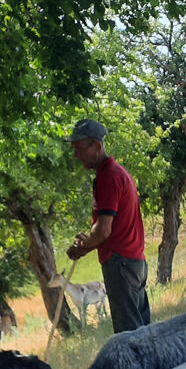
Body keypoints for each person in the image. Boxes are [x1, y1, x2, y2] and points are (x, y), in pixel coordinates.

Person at [66, 119, 151, 332]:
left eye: (79, 148)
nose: (76, 155)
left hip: (120, 263)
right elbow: (106, 230)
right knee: (143, 332)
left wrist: (82, 245)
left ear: (96, 145)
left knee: (129, 336)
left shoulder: (109, 177)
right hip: (134, 261)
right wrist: (86, 245)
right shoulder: (118, 173)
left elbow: (103, 230)